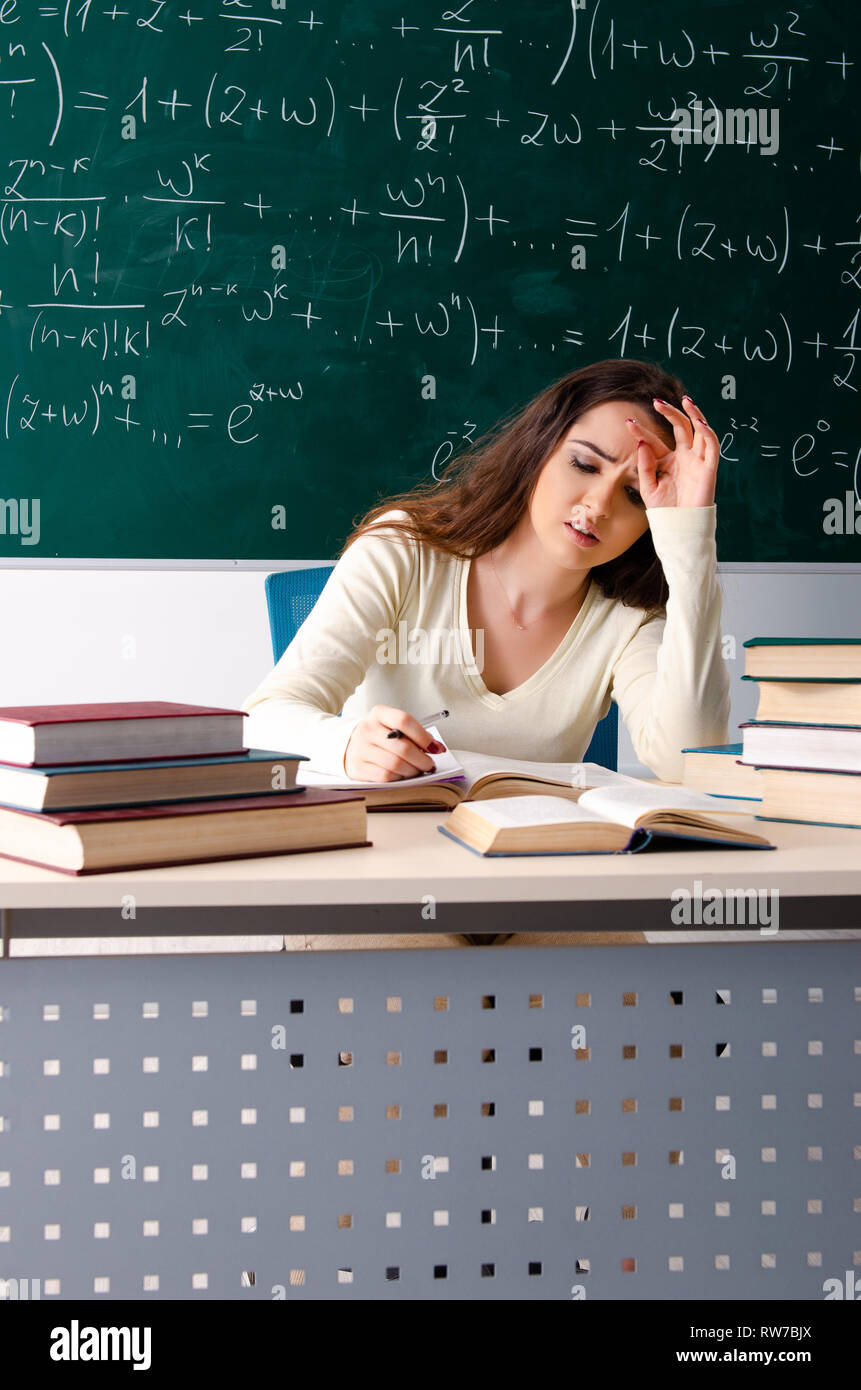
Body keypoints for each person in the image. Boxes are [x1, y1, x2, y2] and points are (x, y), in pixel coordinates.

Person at [242, 358, 730, 789]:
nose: (597, 505)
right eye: (583, 464)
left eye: (635, 495)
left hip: (533, 865)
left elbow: (687, 761)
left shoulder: (631, 618)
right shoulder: (402, 551)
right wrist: (347, 743)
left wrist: (689, 537)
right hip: (395, 857)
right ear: (540, 447)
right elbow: (261, 719)